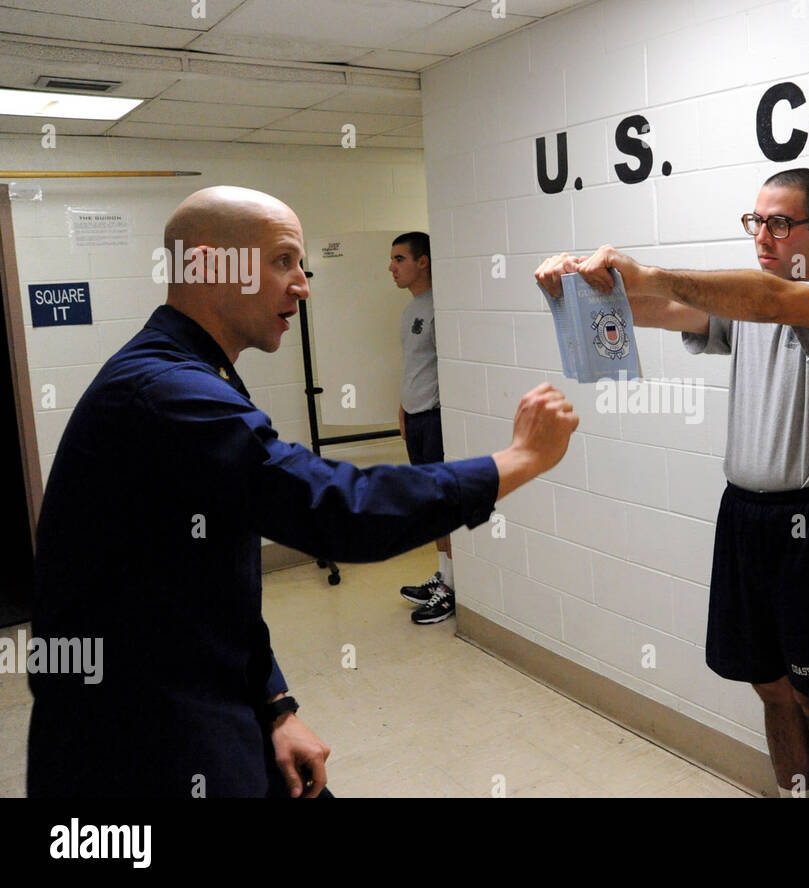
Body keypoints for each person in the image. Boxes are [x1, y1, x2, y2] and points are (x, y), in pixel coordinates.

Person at [28, 186, 578, 798]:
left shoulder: (194, 371)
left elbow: (210, 586)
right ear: (211, 265)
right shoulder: (168, 392)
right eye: (283, 261)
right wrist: (518, 460)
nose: (303, 284)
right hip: (138, 743)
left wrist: (277, 707)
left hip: (204, 702)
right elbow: (340, 508)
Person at [536, 168, 809, 798]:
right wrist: (575, 290)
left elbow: (772, 299)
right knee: (771, 687)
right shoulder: (741, 306)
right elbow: (660, 309)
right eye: (757, 221)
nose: (764, 235)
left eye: (780, 223)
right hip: (745, 516)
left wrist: (651, 272)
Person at [389, 232, 455, 625]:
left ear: (423, 262)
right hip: (414, 416)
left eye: (399, 259)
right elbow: (417, 365)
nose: (392, 268)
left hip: (435, 417)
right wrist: (403, 406)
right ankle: (445, 576)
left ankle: (450, 590)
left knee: (443, 507)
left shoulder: (441, 307)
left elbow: (447, 366)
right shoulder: (411, 308)